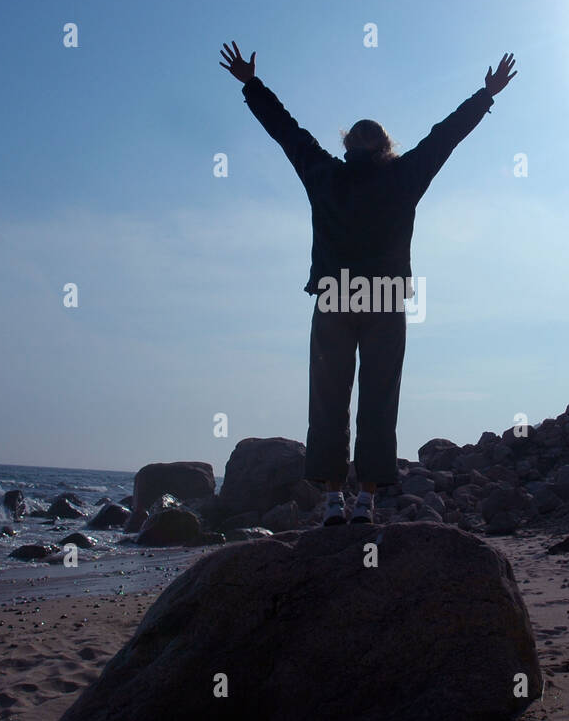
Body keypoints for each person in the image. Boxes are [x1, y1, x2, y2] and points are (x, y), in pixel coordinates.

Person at [220, 41, 516, 525]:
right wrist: (485, 95)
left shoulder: (322, 172)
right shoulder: (405, 176)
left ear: (346, 146)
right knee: (380, 397)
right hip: (384, 296)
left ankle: (334, 498)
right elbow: (446, 137)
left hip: (335, 295)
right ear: (386, 147)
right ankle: (366, 501)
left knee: (329, 396)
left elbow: (286, 132)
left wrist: (251, 85)